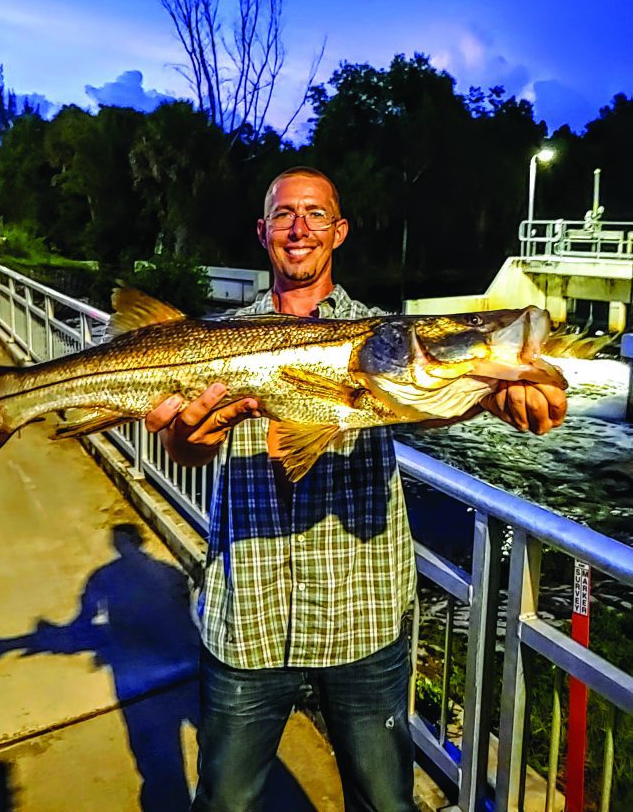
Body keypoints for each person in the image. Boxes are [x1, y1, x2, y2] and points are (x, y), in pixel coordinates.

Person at [145, 167, 567, 812]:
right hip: (247, 611)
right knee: (223, 800)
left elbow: (437, 396)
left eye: (315, 214)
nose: (299, 227)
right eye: (284, 214)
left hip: (361, 615)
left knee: (384, 801)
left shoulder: (383, 336)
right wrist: (189, 439)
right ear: (263, 232)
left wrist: (498, 393)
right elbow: (182, 449)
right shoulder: (218, 336)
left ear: (338, 231)